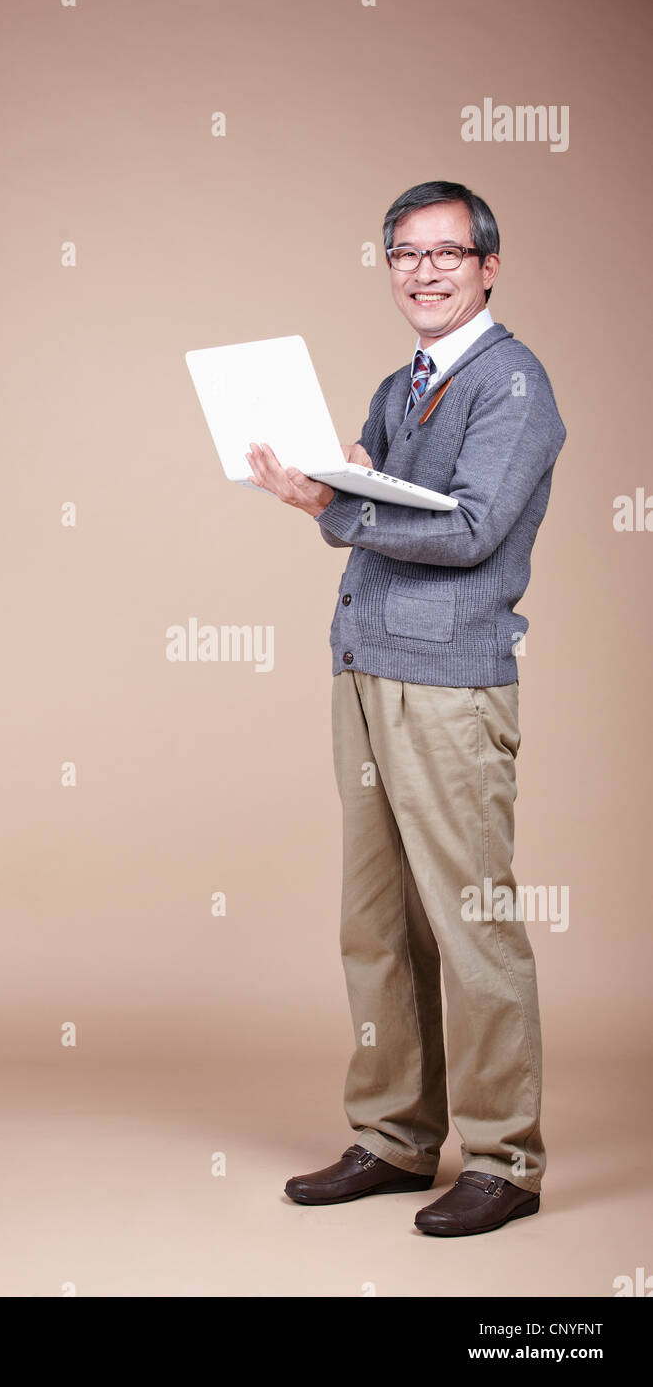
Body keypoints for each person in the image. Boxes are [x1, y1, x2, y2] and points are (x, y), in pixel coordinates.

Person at [245, 181, 566, 1237]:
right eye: (403, 255)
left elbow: (470, 530)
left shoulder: (512, 383)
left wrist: (331, 504)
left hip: (447, 682)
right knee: (375, 923)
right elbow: (378, 504)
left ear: (487, 265)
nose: (422, 271)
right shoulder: (402, 383)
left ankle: (504, 1157)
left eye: (444, 253)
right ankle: (392, 1135)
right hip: (364, 667)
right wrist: (337, 476)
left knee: (468, 920)